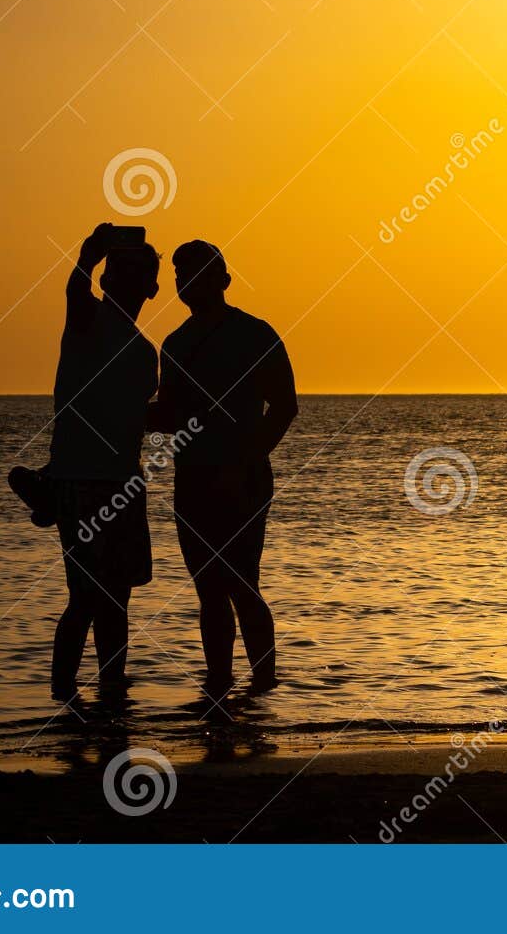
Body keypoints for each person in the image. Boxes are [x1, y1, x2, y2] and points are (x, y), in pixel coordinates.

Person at [150, 240, 297, 702]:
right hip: (191, 479)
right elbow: (171, 414)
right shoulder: (174, 344)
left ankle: (263, 688)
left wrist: (246, 461)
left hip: (243, 481)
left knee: (241, 582)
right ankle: (217, 688)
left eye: (196, 272)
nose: (186, 281)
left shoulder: (255, 334)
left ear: (223, 280)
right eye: (180, 274)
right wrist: (113, 412)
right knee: (208, 591)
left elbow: (285, 406)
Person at [43, 223, 160, 702]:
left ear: (150, 290)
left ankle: (107, 689)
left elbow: (139, 417)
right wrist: (86, 256)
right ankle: (69, 693)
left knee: (112, 599)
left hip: (117, 482)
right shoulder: (88, 320)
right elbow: (75, 289)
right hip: (88, 481)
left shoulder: (141, 349)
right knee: (91, 599)